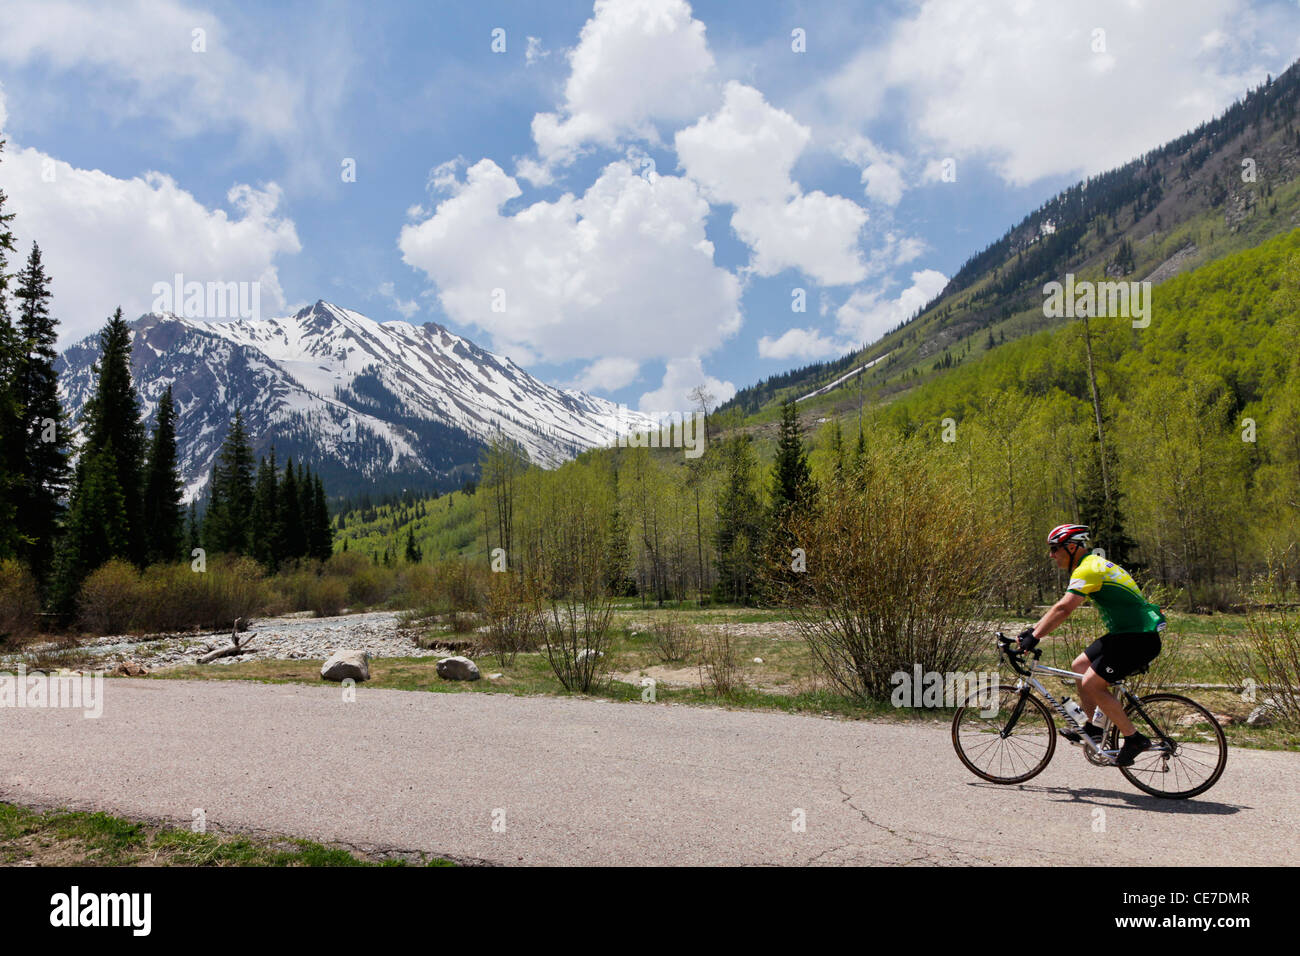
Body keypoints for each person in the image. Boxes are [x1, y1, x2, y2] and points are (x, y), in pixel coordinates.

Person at [1015, 524, 1166, 767]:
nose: (1051, 555)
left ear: (1072, 547)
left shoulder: (1088, 569)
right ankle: (1095, 728)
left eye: (1055, 549)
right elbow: (1059, 607)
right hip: (1127, 634)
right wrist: (1033, 631)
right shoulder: (1091, 564)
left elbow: (1065, 608)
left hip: (1139, 638)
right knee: (1080, 666)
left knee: (1092, 684)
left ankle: (1134, 738)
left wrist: (1036, 636)